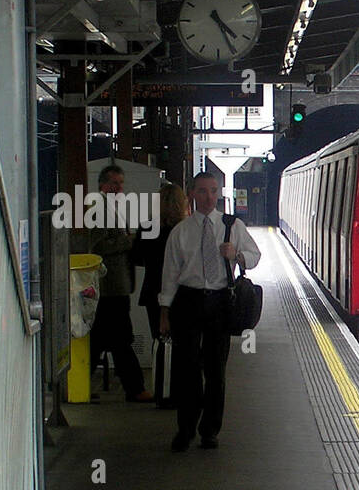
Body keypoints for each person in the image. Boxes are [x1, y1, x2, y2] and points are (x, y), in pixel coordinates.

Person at [159, 172, 261, 451]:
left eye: (214, 191)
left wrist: (237, 256)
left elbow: (255, 256)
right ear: (192, 194)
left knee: (216, 369)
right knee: (187, 368)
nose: (209, 197)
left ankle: (210, 429)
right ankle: (186, 428)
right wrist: (165, 311)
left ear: (219, 193)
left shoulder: (232, 226)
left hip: (219, 301)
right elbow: (170, 274)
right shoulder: (181, 231)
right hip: (188, 301)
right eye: (203, 191)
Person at [90, 165, 153, 402]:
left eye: (121, 184)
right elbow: (96, 246)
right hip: (110, 287)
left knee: (101, 339)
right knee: (122, 338)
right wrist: (128, 242)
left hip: (114, 287)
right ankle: (135, 388)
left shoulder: (111, 208)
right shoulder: (99, 210)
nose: (119, 188)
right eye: (114, 183)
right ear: (102, 185)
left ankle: (76, 384)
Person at [134, 181, 188, 340]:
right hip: (182, 290)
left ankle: (160, 364)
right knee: (183, 338)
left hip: (153, 289)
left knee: (158, 338)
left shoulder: (147, 227)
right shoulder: (185, 229)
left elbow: (137, 257)